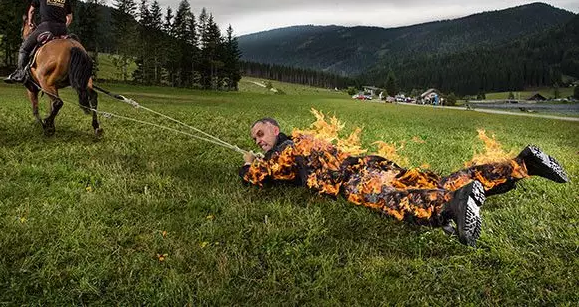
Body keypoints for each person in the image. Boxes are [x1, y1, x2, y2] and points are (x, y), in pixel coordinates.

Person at [240, 118, 569, 246]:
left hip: (357, 179)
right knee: (438, 180)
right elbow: (285, 175)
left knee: (387, 199)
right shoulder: (302, 141)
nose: (258, 140)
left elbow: (259, 176)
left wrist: (247, 165)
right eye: (254, 138)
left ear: (274, 128)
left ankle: (450, 205)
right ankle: (520, 164)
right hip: (376, 164)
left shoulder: (286, 147)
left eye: (260, 133)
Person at [4, 0, 73, 83]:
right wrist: (64, 26)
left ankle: (20, 73)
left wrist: (30, 22)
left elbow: (31, 10)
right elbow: (69, 17)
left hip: (46, 27)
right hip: (62, 29)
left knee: (24, 48)